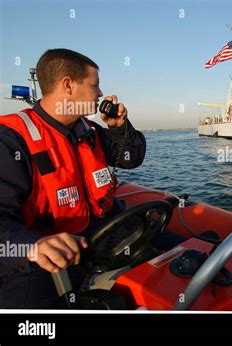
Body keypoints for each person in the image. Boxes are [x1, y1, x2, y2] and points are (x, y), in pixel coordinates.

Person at [0, 48, 146, 308]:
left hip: (106, 234)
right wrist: (34, 244)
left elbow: (130, 159)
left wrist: (120, 128)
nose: (101, 93)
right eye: (95, 85)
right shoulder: (12, 141)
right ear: (68, 85)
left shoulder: (89, 130)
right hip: (46, 260)